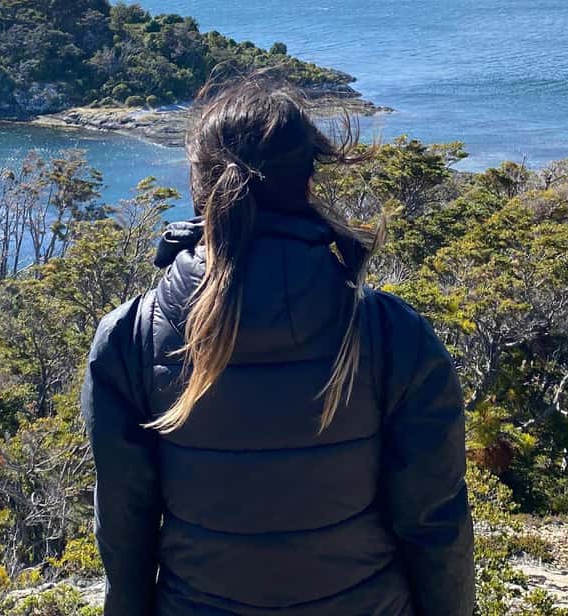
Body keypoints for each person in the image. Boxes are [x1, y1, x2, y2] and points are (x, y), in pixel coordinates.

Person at [81, 74, 474, 616]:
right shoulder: (390, 331)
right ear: (307, 180)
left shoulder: (129, 336)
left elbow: (124, 532)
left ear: (199, 183)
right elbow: (435, 524)